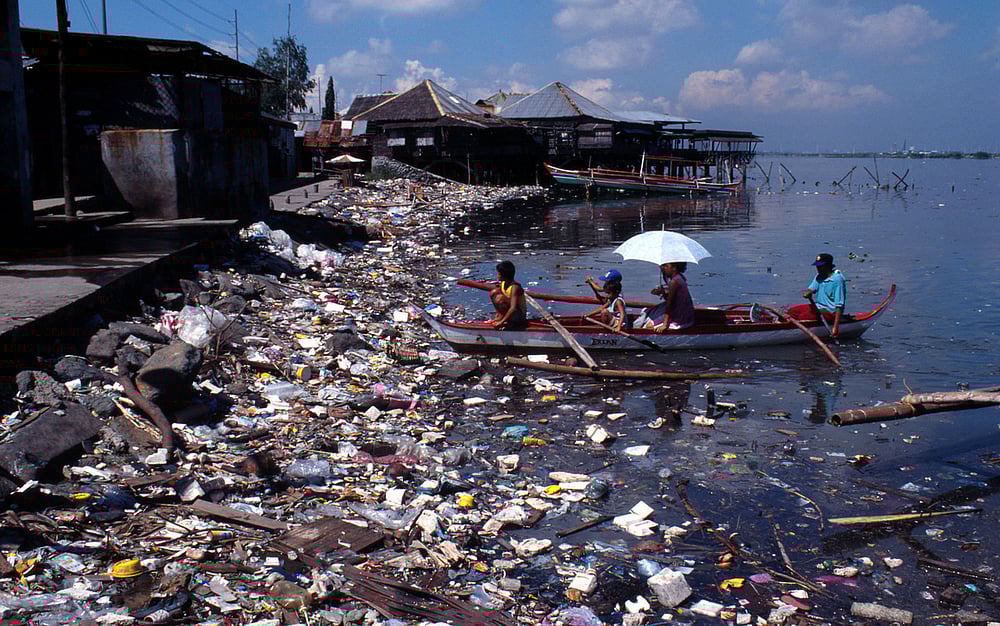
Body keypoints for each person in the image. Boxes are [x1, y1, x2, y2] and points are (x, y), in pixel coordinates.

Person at [635, 262, 695, 333]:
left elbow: (670, 304)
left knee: (649, 326)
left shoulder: (674, 282)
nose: (663, 268)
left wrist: (665, 324)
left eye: (665, 266)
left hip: (679, 315)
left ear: (674, 268)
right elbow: (672, 298)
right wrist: (663, 292)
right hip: (680, 311)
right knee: (648, 314)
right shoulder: (678, 277)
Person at [798, 252, 846, 338]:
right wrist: (808, 292)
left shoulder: (837, 280)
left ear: (828, 266)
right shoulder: (819, 276)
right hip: (818, 307)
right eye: (817, 266)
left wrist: (835, 327)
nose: (818, 268)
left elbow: (839, 305)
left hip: (831, 311)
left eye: (821, 266)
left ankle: (802, 335)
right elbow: (811, 289)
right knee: (793, 311)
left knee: (804, 316)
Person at [489, 260, 527, 329]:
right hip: (510, 313)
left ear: (504, 275)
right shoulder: (503, 283)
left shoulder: (515, 287)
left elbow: (513, 308)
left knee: (500, 298)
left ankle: (505, 319)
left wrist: (501, 322)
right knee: (494, 292)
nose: (497, 275)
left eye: (499, 273)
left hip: (518, 316)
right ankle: (500, 316)